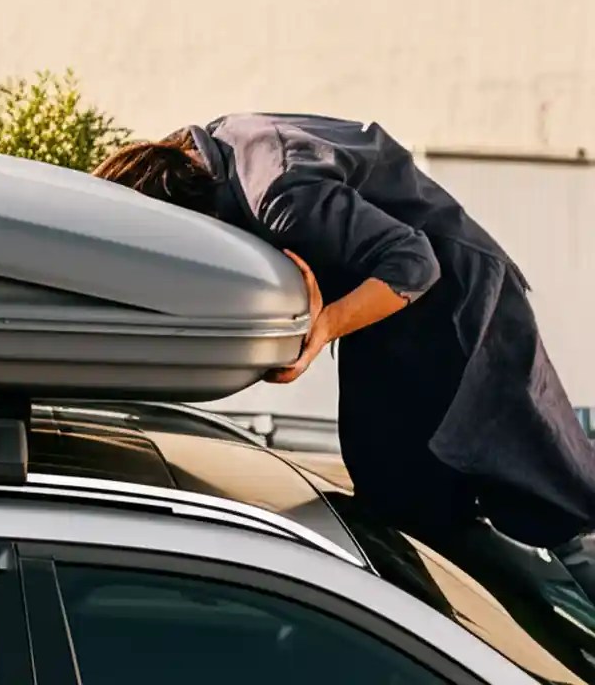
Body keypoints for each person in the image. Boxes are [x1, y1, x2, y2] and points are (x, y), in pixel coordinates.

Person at [91, 113, 595, 596]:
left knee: (524, 498)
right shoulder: (213, 150)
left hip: (454, 306)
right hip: (396, 323)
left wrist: (323, 326)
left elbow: (413, 263)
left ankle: (541, 635)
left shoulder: (278, 192)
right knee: (395, 503)